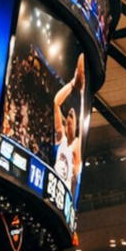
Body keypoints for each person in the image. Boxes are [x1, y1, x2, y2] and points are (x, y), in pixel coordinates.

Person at [52, 55, 84, 190]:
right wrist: (72, 83)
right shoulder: (61, 139)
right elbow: (56, 103)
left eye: (72, 115)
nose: (70, 114)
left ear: (76, 124)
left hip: (66, 192)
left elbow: (80, 136)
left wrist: (83, 93)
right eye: (69, 115)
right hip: (54, 187)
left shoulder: (75, 148)